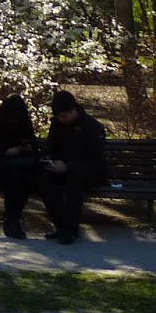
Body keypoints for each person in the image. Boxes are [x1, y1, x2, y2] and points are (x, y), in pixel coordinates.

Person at [40, 89, 109, 244]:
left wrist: (68, 166)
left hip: (90, 171)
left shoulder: (92, 126)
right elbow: (51, 147)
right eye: (59, 117)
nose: (61, 119)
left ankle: (69, 228)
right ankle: (61, 226)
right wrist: (49, 160)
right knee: (44, 180)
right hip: (63, 169)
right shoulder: (57, 124)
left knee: (75, 179)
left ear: (73, 110)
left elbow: (96, 158)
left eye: (64, 116)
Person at [0, 94, 40, 238]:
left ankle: (12, 220)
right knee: (15, 179)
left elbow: (34, 147)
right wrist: (6, 152)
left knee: (24, 178)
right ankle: (12, 221)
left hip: (22, 167)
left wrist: (28, 148)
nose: (15, 122)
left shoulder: (24, 123)